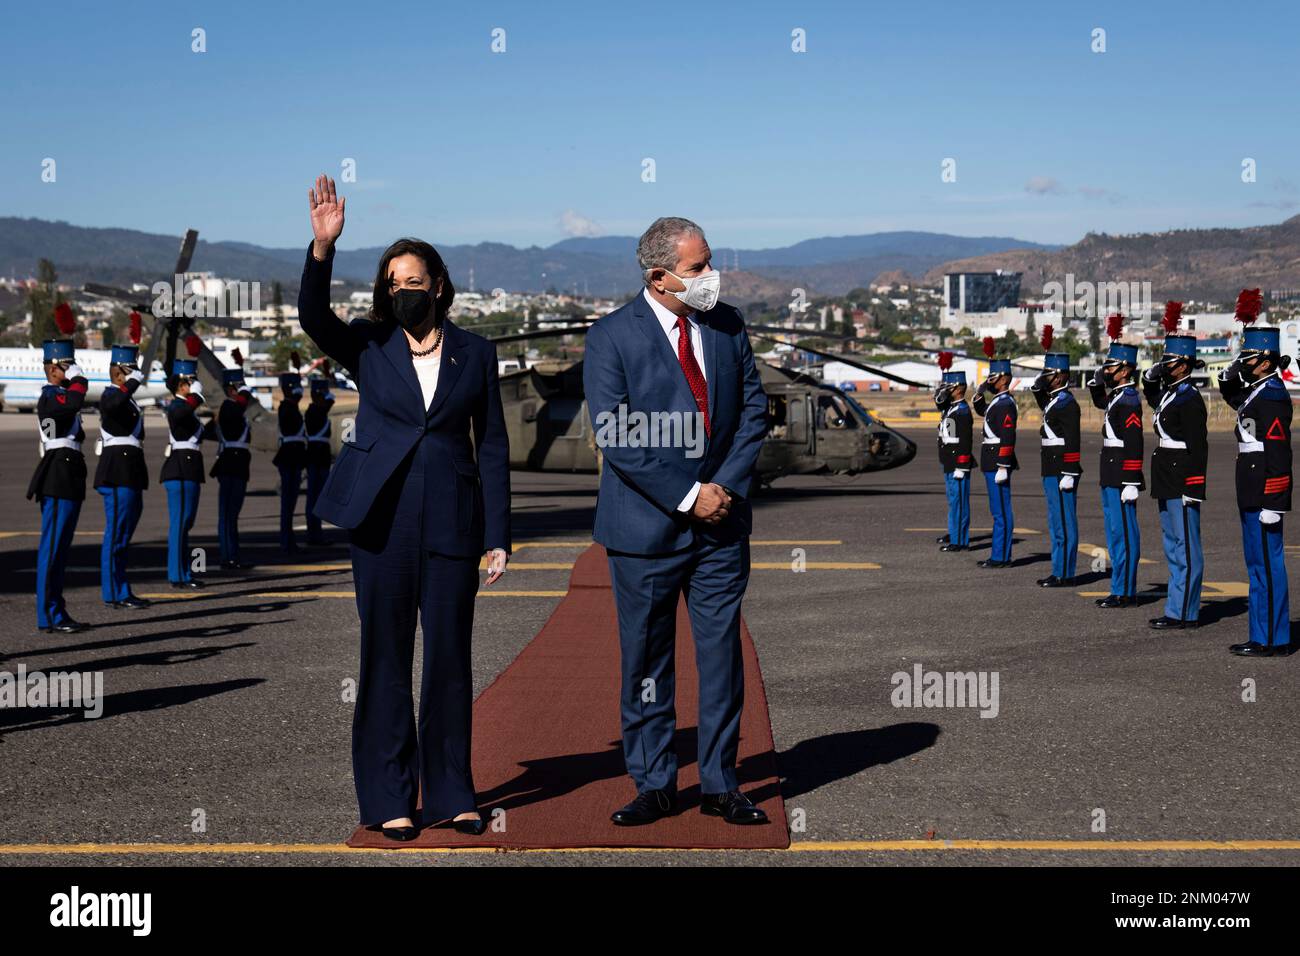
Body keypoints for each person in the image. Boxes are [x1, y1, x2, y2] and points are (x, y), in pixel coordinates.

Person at [297, 174, 510, 840]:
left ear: (438, 284)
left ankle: (451, 793)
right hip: (381, 524)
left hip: (452, 523)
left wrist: (498, 534)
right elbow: (312, 318)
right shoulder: (368, 345)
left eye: (411, 280)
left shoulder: (476, 353)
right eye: (391, 283)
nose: (401, 291)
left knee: (449, 661)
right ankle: (388, 796)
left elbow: (495, 447)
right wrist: (322, 247)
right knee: (383, 660)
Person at [583, 215, 770, 828]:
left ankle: (720, 782)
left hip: (722, 526)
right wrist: (689, 495)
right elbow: (616, 434)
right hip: (645, 531)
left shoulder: (726, 324)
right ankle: (655, 782)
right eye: (698, 268)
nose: (712, 277)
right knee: (646, 663)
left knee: (721, 658)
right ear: (660, 277)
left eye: (710, 262)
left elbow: (751, 412)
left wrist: (724, 490)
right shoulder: (611, 337)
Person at [1218, 291, 1292, 657]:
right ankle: (1261, 633)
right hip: (1249, 486)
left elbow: (1279, 452)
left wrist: (1274, 500)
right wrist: (1232, 371)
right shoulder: (1256, 392)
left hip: (1263, 489)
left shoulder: (1274, 395)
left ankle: (1275, 638)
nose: (1244, 364)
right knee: (1256, 564)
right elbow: (1232, 397)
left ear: (1266, 361)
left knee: (1268, 563)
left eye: (1249, 359)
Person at [1142, 307, 1208, 630]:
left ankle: (1185, 611)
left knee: (1187, 547)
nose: (1164, 367)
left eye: (1169, 362)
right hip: (1166, 475)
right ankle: (1175, 606)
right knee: (1172, 544)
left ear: (1183, 365)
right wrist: (1150, 378)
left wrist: (1193, 487)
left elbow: (1199, 448)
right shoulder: (1171, 394)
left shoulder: (1190, 399)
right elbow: (1152, 398)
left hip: (1183, 477)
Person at [28, 334, 89, 632]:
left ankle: (57, 609)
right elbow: (76, 397)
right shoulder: (50, 397)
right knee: (50, 548)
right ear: (54, 369)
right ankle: (46, 615)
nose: (72, 370)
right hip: (57, 477)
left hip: (69, 477)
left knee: (61, 549)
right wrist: (79, 378)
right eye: (68, 365)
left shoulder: (60, 397)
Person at [1087, 324, 1144, 609]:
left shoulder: (1130, 399)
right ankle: (1118, 588)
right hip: (1110, 471)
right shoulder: (1117, 397)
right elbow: (1099, 398)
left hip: (1122, 473)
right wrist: (1097, 378)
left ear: (1125, 370)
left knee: (1125, 534)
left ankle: (1126, 591)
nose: (1107, 371)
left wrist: (1132, 480)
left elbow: (1134, 442)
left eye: (1110, 367)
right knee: (1114, 532)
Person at [95, 339, 151, 609]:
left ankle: (122, 589)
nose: (135, 375)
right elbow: (114, 404)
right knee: (115, 535)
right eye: (131, 370)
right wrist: (132, 384)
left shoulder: (126, 400)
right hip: (117, 473)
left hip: (130, 472)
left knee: (124, 535)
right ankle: (113, 592)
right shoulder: (110, 395)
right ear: (119, 372)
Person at [1032, 348, 1082, 587]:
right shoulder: (1054, 400)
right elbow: (1038, 394)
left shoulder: (1067, 403)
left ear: (1061, 376)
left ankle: (1066, 572)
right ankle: (1058, 568)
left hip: (1062, 468)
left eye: (1050, 374)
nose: (1046, 378)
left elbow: (1072, 439)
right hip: (1050, 466)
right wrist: (1040, 381)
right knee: (1055, 521)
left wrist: (1070, 471)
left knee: (1065, 522)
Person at [160, 356, 206, 589]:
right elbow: (180, 415)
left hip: (189, 469)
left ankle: (184, 571)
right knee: (179, 523)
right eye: (192, 381)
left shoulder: (187, 407)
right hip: (179, 469)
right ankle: (177, 574)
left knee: (185, 522)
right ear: (182, 384)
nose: (194, 384)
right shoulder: (177, 405)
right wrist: (196, 397)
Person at [972, 348, 1017, 568]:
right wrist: (979, 395)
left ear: (1004, 379)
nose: (990, 381)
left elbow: (1008, 436)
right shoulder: (998, 403)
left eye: (993, 378)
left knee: (1001, 511)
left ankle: (1001, 556)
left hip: (997, 461)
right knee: (997, 510)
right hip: (991, 460)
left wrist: (1003, 465)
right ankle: (999, 554)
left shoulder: (1007, 404)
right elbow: (985, 412)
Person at [209, 366, 256, 570]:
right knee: (227, 514)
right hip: (230, 464)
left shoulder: (232, 407)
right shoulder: (229, 406)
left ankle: (232, 554)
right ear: (230, 389)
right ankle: (227, 556)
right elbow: (240, 407)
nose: (241, 391)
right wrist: (245, 390)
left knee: (232, 514)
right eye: (237, 386)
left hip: (237, 465)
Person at [934, 361, 973, 552]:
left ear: (958, 389)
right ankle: (954, 532)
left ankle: (960, 540)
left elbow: (965, 442)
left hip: (958, 463)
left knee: (959, 501)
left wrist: (961, 465)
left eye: (948, 388)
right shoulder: (951, 409)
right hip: (948, 461)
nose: (945, 391)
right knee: (952, 500)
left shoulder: (962, 411)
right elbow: (939, 403)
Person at [271, 371, 307, 554]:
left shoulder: (290, 406)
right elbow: (291, 427)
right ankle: (286, 540)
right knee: (287, 503)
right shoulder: (287, 407)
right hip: (289, 456)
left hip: (293, 456)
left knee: (291, 502)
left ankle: (289, 539)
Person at [304, 375, 335, 546]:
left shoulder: (318, 409)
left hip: (320, 458)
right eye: (322, 394)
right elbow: (330, 401)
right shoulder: (314, 410)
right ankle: (313, 534)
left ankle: (316, 533)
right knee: (313, 498)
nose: (325, 397)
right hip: (316, 457)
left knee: (317, 497)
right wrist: (326, 395)